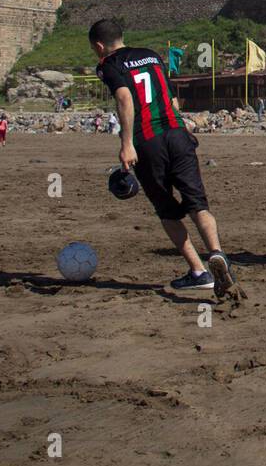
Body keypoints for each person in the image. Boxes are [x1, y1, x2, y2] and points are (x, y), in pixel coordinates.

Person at [89, 18, 244, 300]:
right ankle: (217, 253)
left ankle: (199, 272)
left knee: (166, 209)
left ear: (99, 46)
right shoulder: (152, 55)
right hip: (178, 134)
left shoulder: (108, 65)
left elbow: (125, 98)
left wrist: (126, 144)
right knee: (198, 202)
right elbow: (171, 100)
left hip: (149, 141)